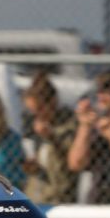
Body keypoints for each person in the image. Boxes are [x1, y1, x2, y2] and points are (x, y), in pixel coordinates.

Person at [67, 70, 110, 204]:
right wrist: (85, 126)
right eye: (100, 90)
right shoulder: (93, 124)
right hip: (98, 200)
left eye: (108, 90)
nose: (101, 96)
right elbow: (75, 164)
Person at [21, 74, 79, 204]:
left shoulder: (68, 125)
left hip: (59, 197)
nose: (37, 115)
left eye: (40, 109)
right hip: (35, 196)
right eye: (33, 111)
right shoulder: (34, 126)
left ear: (53, 102)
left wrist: (52, 137)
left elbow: (69, 162)